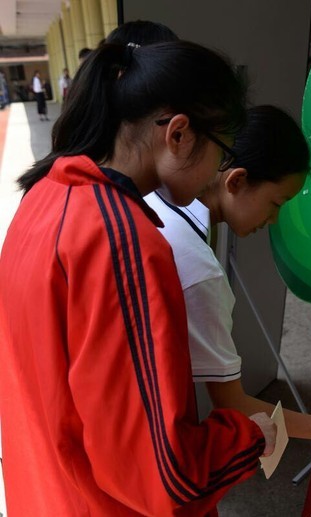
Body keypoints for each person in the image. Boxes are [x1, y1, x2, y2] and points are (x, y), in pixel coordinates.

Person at [0, 41, 276, 516]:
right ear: (180, 135)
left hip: (44, 492)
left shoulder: (43, 199)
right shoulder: (122, 242)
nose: (219, 169)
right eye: (222, 150)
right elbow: (162, 472)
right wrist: (249, 437)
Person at [145, 105, 311, 443]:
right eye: (276, 203)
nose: (274, 220)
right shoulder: (197, 267)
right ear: (237, 179)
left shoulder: (155, 200)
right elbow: (232, 403)